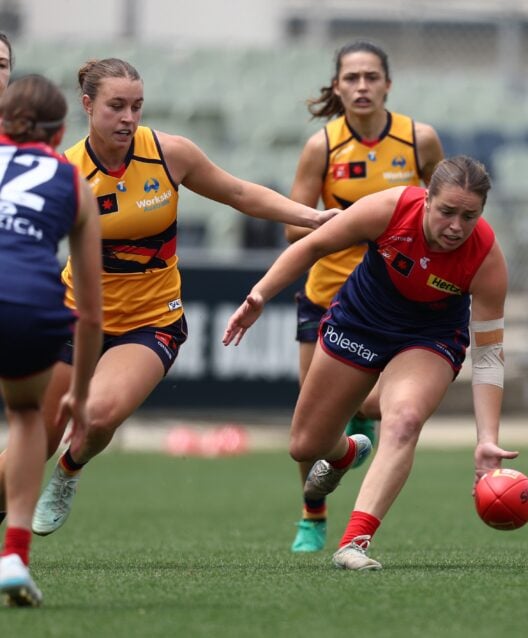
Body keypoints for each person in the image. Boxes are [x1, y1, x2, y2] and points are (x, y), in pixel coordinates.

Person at [0, 57, 336, 538]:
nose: (128, 118)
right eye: (116, 106)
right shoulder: (67, 171)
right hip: (75, 315)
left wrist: (313, 217)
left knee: (97, 418)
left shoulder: (168, 153)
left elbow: (240, 193)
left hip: (151, 319)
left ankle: (69, 472)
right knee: (40, 436)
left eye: (136, 106)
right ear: (87, 105)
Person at [224, 155, 517, 570]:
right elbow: (312, 245)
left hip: (429, 336)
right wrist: (259, 295)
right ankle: (345, 453)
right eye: (447, 212)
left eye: (469, 216)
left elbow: (488, 352)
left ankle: (354, 543)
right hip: (361, 320)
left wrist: (486, 437)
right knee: (305, 446)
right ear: (426, 200)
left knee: (405, 420)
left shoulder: (486, 258)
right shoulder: (389, 209)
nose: (456, 226)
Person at [283, 40, 444, 553]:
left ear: (388, 84)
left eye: (371, 77)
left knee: (373, 403)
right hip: (326, 295)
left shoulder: (419, 141)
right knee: (310, 419)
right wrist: (339, 223)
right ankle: (312, 513)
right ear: (337, 86)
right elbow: (292, 226)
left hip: (392, 302)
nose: (361, 86)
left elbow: (446, 213)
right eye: (351, 78)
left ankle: (358, 418)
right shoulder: (322, 147)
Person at [0, 75, 102, 607]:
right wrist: (79, 395)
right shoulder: (73, 181)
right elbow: (90, 313)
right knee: (24, 416)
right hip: (30, 306)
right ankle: (14, 556)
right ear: (62, 132)